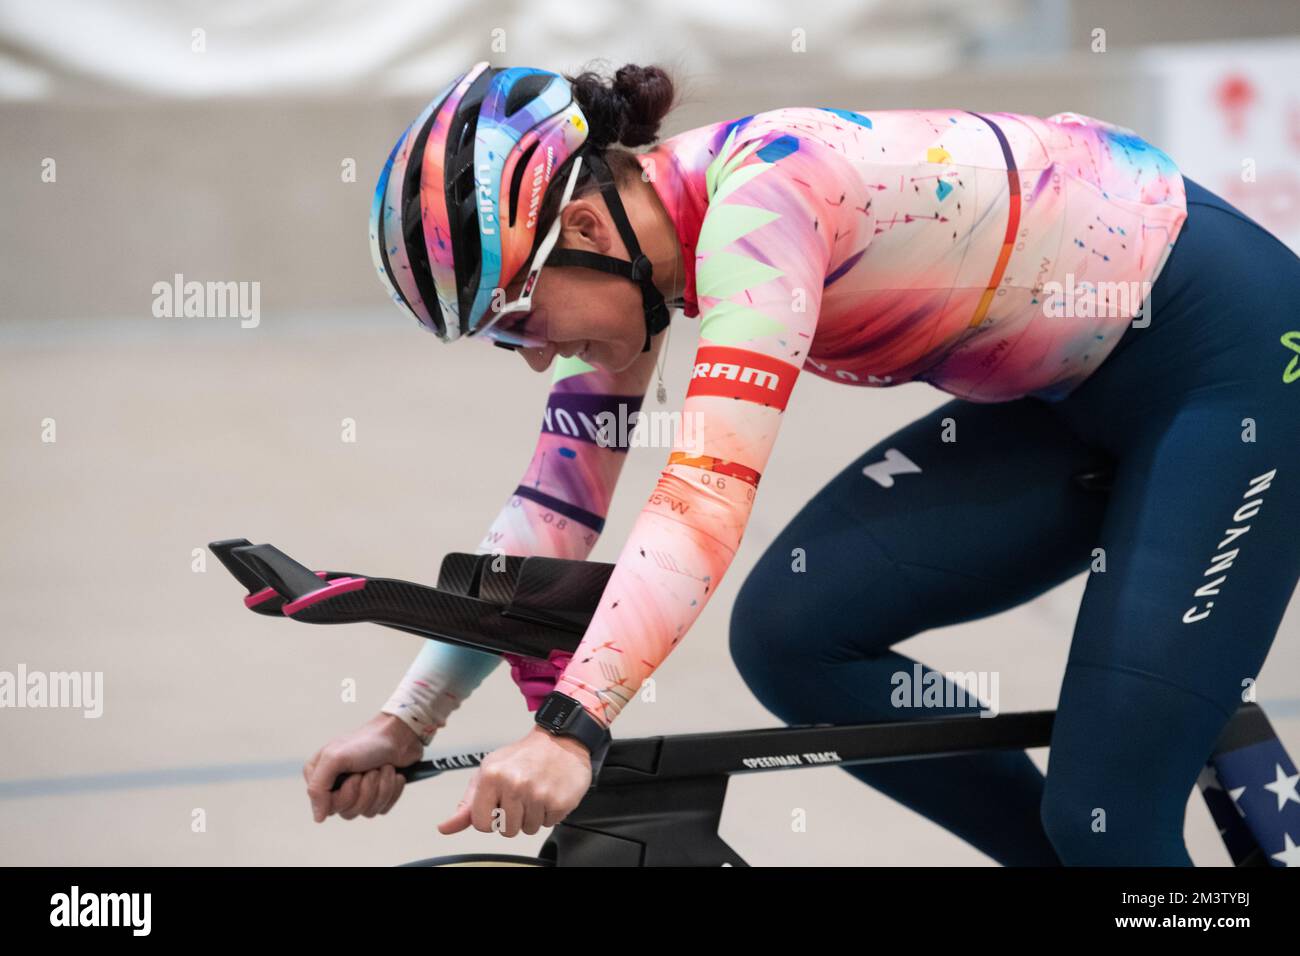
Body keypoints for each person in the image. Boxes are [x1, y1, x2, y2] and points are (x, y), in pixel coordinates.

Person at [304, 60, 1300, 865]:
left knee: (1108, 818)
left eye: (518, 315)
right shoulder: (645, 262)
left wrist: (571, 726)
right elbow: (549, 514)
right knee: (792, 632)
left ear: (585, 227)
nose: (530, 354)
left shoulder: (760, 202)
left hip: (1233, 366)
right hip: (1069, 394)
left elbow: (700, 495)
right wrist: (406, 721)